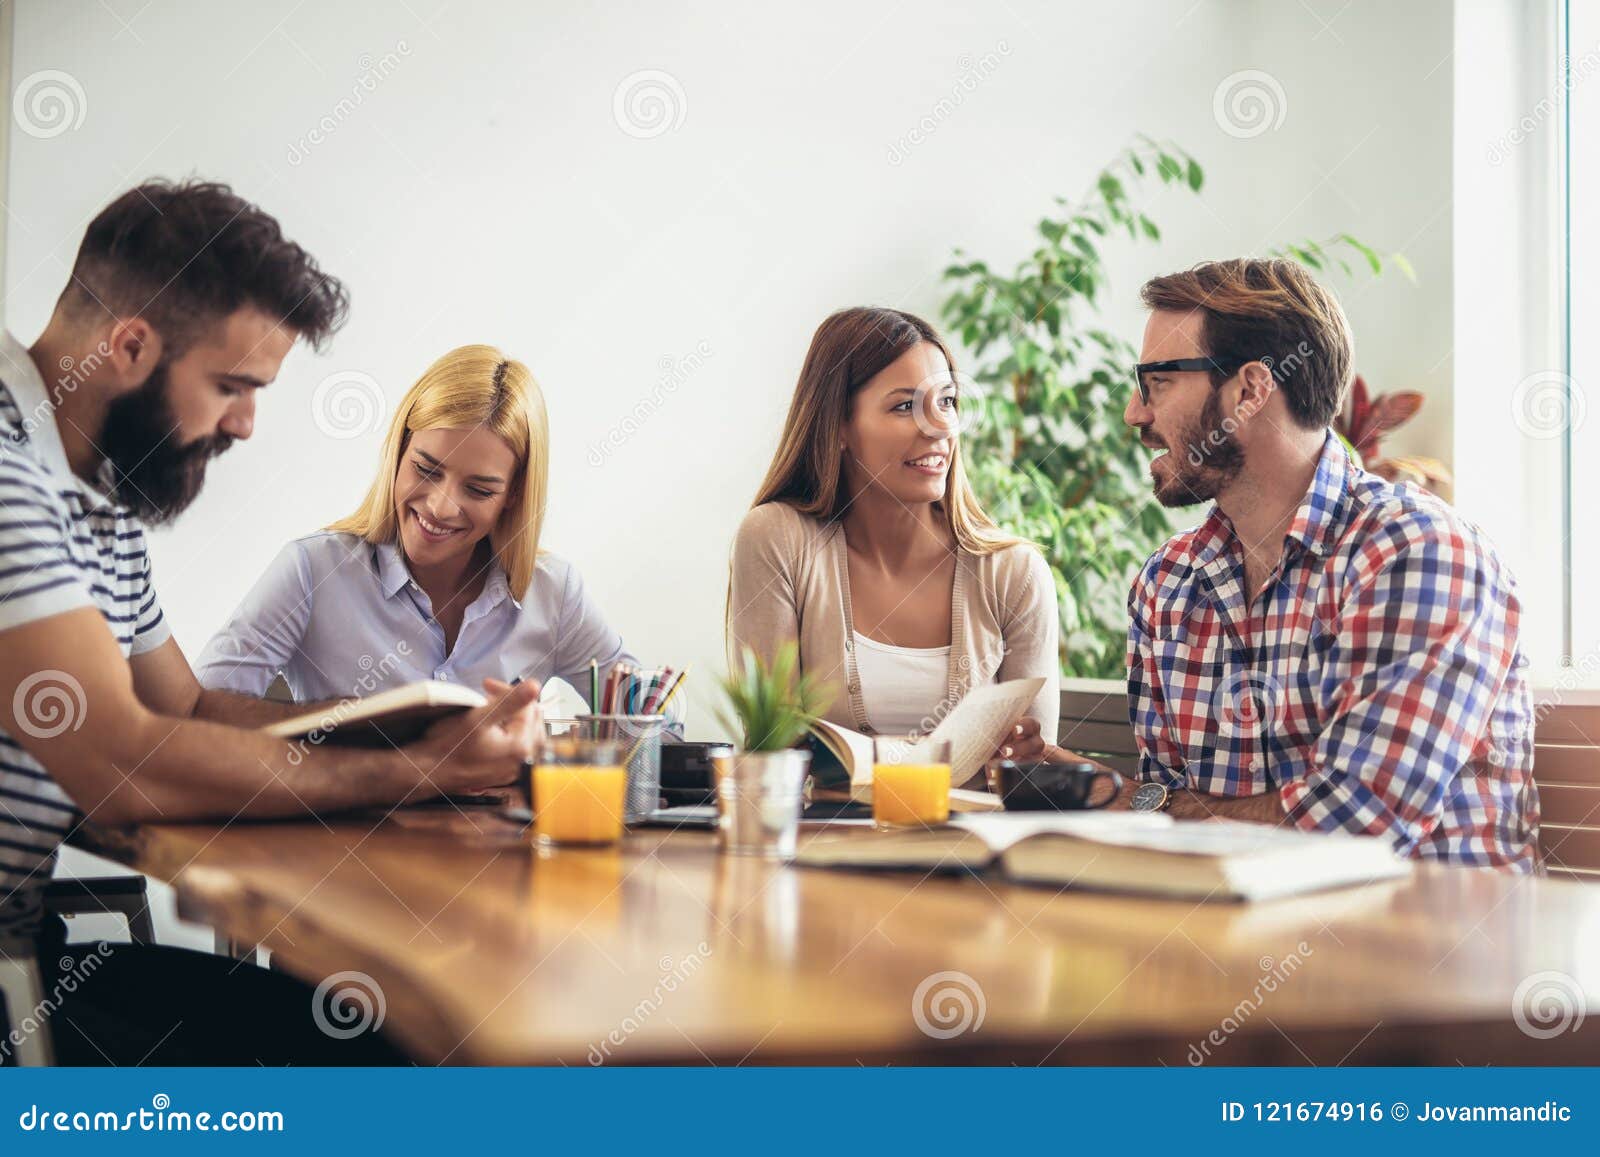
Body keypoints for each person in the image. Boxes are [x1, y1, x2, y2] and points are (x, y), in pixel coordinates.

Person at [0, 180, 538, 1064]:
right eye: (232, 385)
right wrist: (408, 773)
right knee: (388, 1057)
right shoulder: (10, 475)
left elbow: (189, 711)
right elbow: (123, 762)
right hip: (13, 999)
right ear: (130, 345)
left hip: (35, 963)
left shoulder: (93, 492)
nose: (247, 424)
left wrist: (389, 726)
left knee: (381, 1038)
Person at [1005, 258, 1537, 870]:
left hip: (1420, 949)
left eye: (1156, 383)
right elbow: (1168, 810)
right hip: (1236, 943)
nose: (1135, 413)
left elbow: (1351, 829)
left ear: (1251, 390)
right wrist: (1110, 796)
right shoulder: (1167, 585)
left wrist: (1136, 804)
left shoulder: (1417, 555)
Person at [196, 345, 644, 711]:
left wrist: (556, 750)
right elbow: (201, 713)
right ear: (399, 450)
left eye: (479, 490)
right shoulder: (313, 570)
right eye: (427, 470)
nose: (440, 507)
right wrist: (339, 728)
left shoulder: (553, 593)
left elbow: (651, 722)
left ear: (513, 496)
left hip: (497, 824)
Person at [727, 306, 1059, 752]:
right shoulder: (778, 539)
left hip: (974, 823)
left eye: (946, 402)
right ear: (839, 426)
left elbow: (1035, 772)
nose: (941, 426)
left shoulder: (1014, 572)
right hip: (821, 824)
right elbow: (772, 750)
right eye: (905, 406)